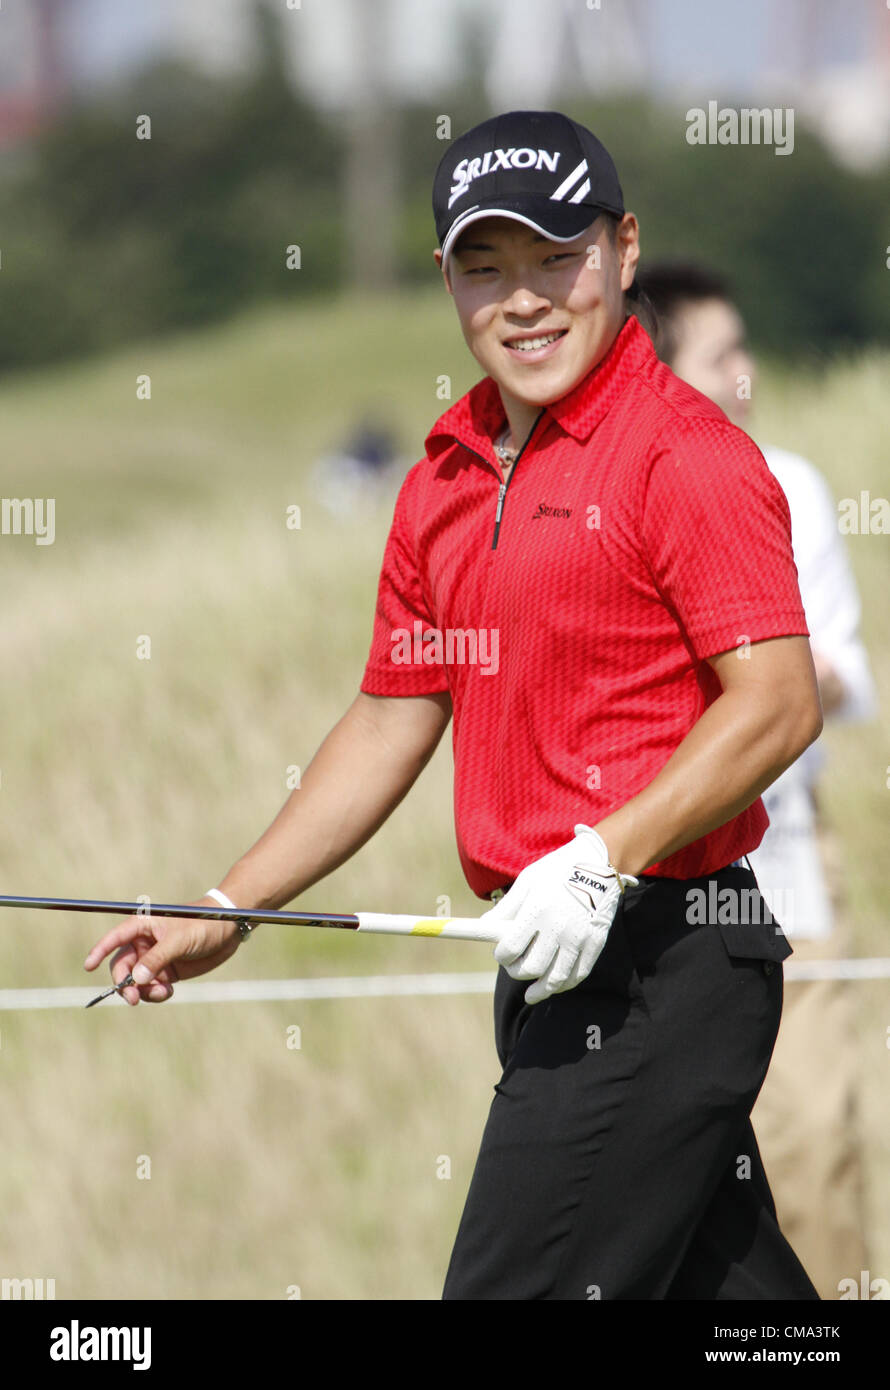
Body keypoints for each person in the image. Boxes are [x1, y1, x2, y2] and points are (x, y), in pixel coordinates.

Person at [84, 110, 823, 1300]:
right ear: (445, 281)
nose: (523, 298)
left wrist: (601, 856)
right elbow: (392, 714)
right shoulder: (440, 469)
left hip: (664, 963)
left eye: (555, 256)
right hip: (548, 969)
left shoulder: (680, 454)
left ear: (622, 250)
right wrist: (228, 905)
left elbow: (778, 704)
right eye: (485, 267)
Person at [634, 261, 878, 1299]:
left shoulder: (787, 483)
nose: (747, 371)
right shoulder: (612, 501)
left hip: (781, 853)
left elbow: (834, 675)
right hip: (645, 874)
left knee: (815, 1132)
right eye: (720, 354)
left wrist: (762, 673)